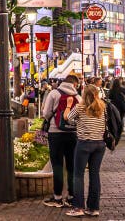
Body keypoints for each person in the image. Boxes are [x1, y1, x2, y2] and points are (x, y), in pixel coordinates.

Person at [64, 84, 108, 217]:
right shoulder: (102, 107)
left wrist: (68, 104)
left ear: (84, 95)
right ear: (96, 94)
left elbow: (67, 118)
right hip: (100, 144)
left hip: (84, 144)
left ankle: (78, 207)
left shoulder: (80, 107)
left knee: (78, 175)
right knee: (95, 175)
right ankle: (93, 208)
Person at [42, 74, 81, 208]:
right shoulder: (78, 97)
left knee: (57, 164)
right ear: (74, 84)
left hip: (55, 133)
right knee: (72, 165)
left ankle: (57, 197)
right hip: (72, 134)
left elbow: (46, 113)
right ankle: (71, 196)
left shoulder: (54, 93)